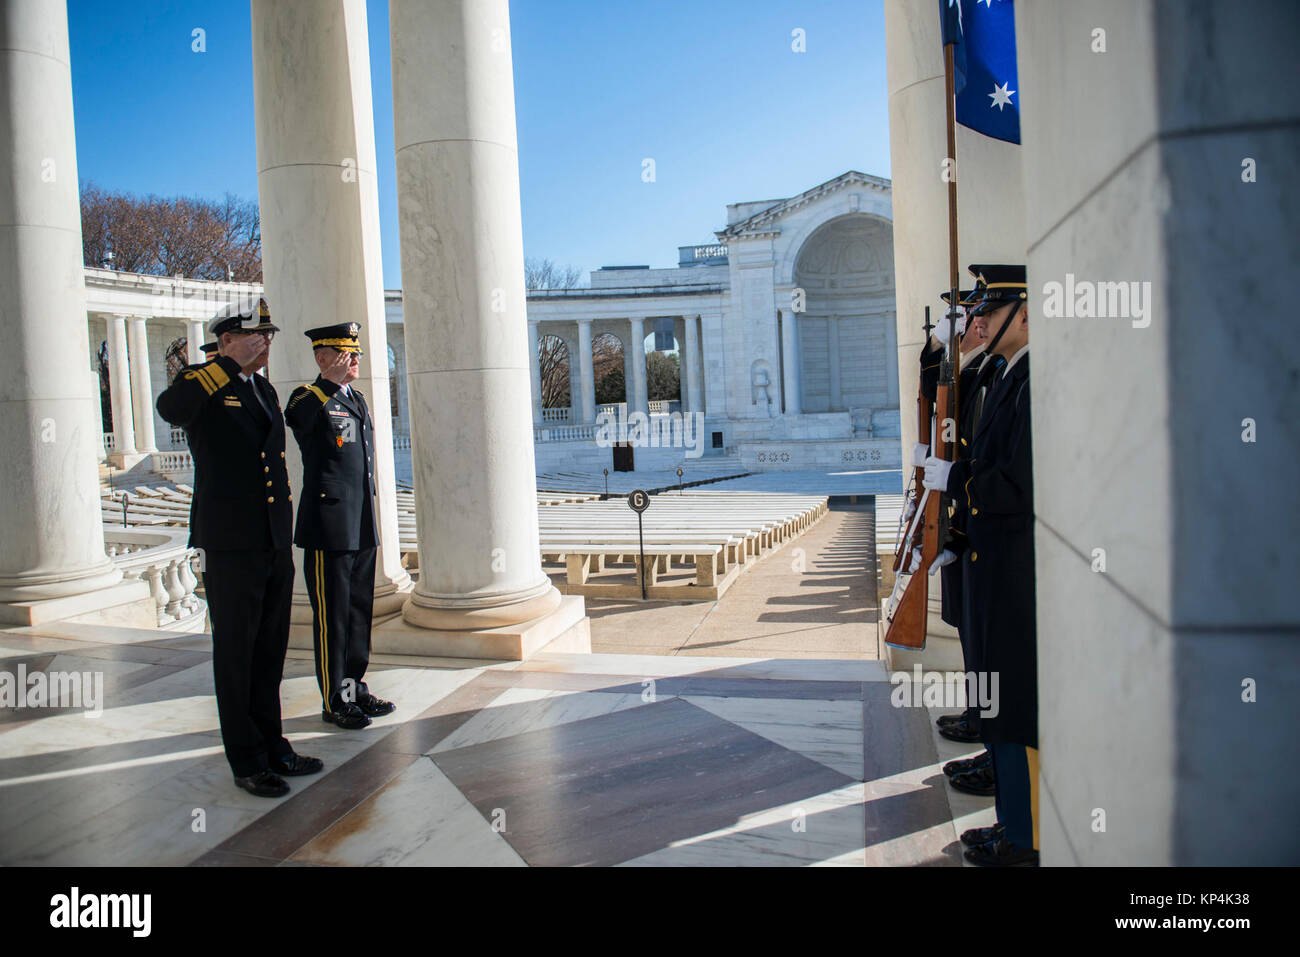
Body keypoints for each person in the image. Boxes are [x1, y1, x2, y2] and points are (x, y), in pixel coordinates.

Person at [157, 296, 322, 798]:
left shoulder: (264, 389)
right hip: (229, 541)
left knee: (269, 649)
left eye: (269, 334)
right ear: (226, 340)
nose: (266, 341)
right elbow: (171, 409)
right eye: (256, 334)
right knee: (236, 651)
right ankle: (246, 758)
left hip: (270, 536)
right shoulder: (202, 383)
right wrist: (225, 364)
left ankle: (273, 743)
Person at [922, 265, 1038, 866]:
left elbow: (1017, 481)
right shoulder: (1004, 372)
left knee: (1015, 706)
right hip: (988, 556)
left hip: (1012, 565)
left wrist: (960, 484)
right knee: (999, 696)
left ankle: (1024, 838)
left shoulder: (1030, 380)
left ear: (1023, 313)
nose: (977, 323)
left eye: (987, 314)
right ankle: (1014, 825)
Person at [285, 323, 395, 730]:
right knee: (332, 617)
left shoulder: (358, 398)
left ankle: (354, 688)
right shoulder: (307, 396)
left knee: (357, 612)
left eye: (357, 354)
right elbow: (297, 421)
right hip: (327, 525)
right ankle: (334, 699)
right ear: (322, 357)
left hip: (361, 520)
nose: (355, 360)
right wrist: (328, 384)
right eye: (347, 353)